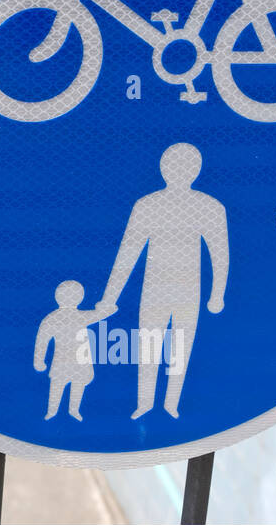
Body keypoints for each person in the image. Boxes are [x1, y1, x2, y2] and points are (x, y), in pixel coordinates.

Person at [100, 143, 228, 419]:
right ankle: (144, 403)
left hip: (188, 289)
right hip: (154, 289)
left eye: (185, 166)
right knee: (149, 346)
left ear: (196, 171)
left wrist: (217, 295)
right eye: (173, 165)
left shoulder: (209, 207)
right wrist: (110, 298)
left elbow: (220, 254)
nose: (178, 171)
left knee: (180, 348)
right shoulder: (148, 205)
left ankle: (172, 404)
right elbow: (127, 254)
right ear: (163, 168)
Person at [33, 280, 118, 421]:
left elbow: (42, 341)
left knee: (74, 384)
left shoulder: (69, 317)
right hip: (63, 361)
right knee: (59, 385)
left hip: (78, 361)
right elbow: (42, 340)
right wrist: (38, 360)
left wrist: (108, 310)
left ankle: (72, 410)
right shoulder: (54, 319)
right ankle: (53, 411)